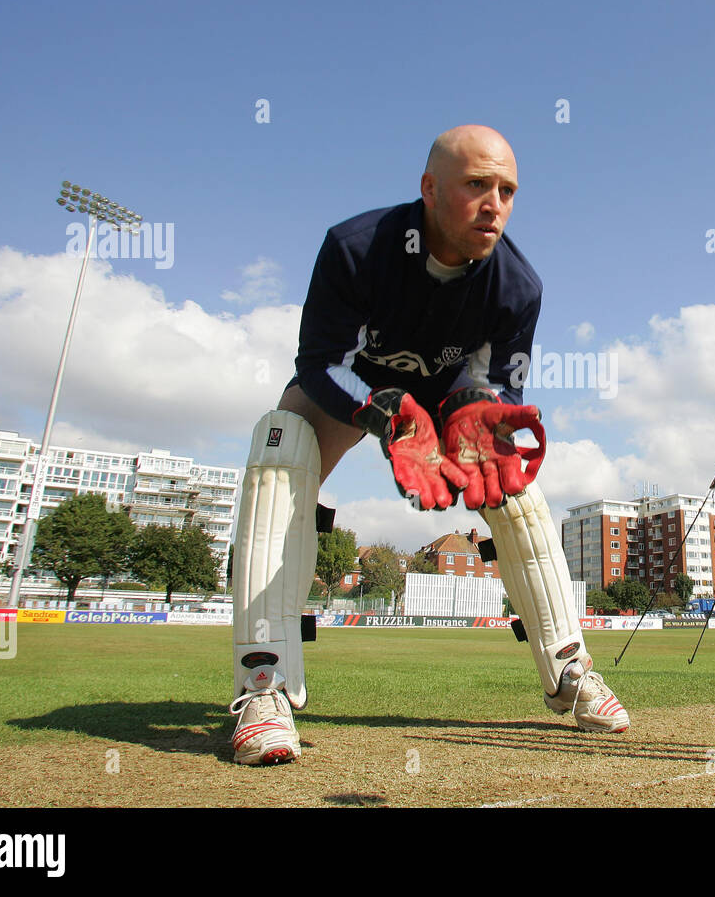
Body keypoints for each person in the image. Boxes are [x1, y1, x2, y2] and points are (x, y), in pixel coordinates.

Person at [227, 125, 630, 765]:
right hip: (358, 390)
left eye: (507, 190)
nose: (494, 202)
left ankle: (571, 669)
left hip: (444, 404)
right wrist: (389, 417)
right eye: (476, 185)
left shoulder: (517, 286)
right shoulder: (357, 247)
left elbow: (494, 378)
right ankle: (262, 686)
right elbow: (319, 364)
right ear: (430, 188)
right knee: (281, 444)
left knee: (514, 492)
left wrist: (475, 419)